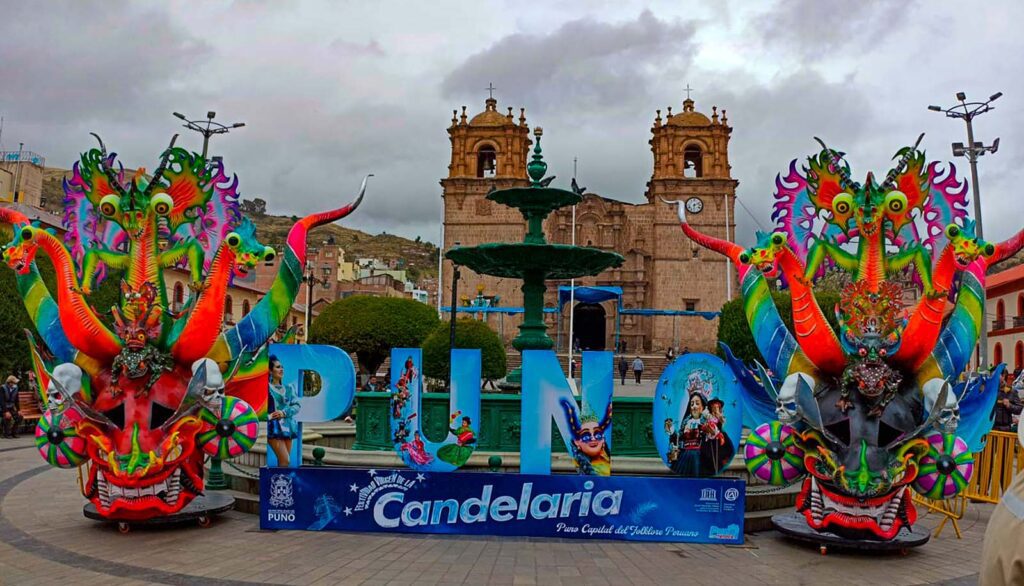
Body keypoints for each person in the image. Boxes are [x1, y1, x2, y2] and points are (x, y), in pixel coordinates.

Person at [267, 356, 301, 467]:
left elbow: (297, 405)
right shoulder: (266, 388)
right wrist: (268, 416)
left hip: (288, 427)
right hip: (273, 427)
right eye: (278, 367)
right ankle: (280, 482)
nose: (281, 369)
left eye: (282, 367)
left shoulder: (289, 388)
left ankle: (280, 482)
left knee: (283, 462)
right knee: (285, 460)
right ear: (270, 371)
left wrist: (284, 413)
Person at [672, 392, 708, 476]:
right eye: (692, 404)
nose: (694, 407)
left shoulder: (707, 423)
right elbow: (678, 439)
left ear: (703, 407)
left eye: (697, 403)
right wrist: (672, 431)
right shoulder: (686, 422)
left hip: (700, 456)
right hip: (685, 455)